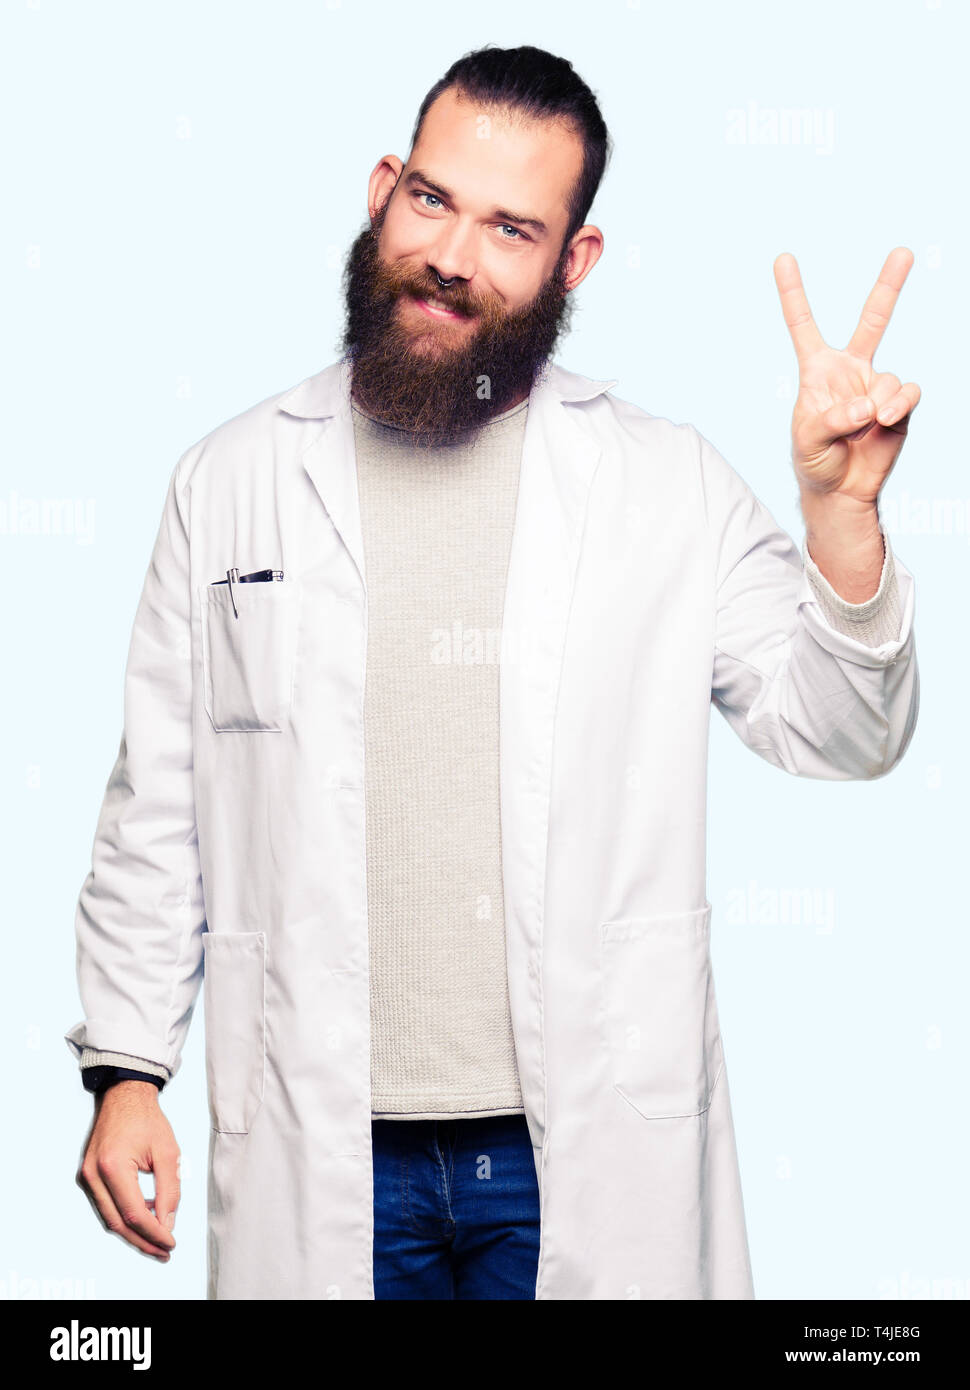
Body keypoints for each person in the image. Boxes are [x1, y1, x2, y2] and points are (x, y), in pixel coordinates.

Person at [67, 44, 920, 1300]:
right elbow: (160, 806)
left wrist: (841, 521)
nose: (454, 255)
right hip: (329, 1143)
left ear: (573, 261)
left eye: (512, 227)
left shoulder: (661, 484)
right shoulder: (231, 479)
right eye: (432, 200)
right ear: (380, 190)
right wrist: (126, 1069)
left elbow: (846, 730)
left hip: (572, 1150)